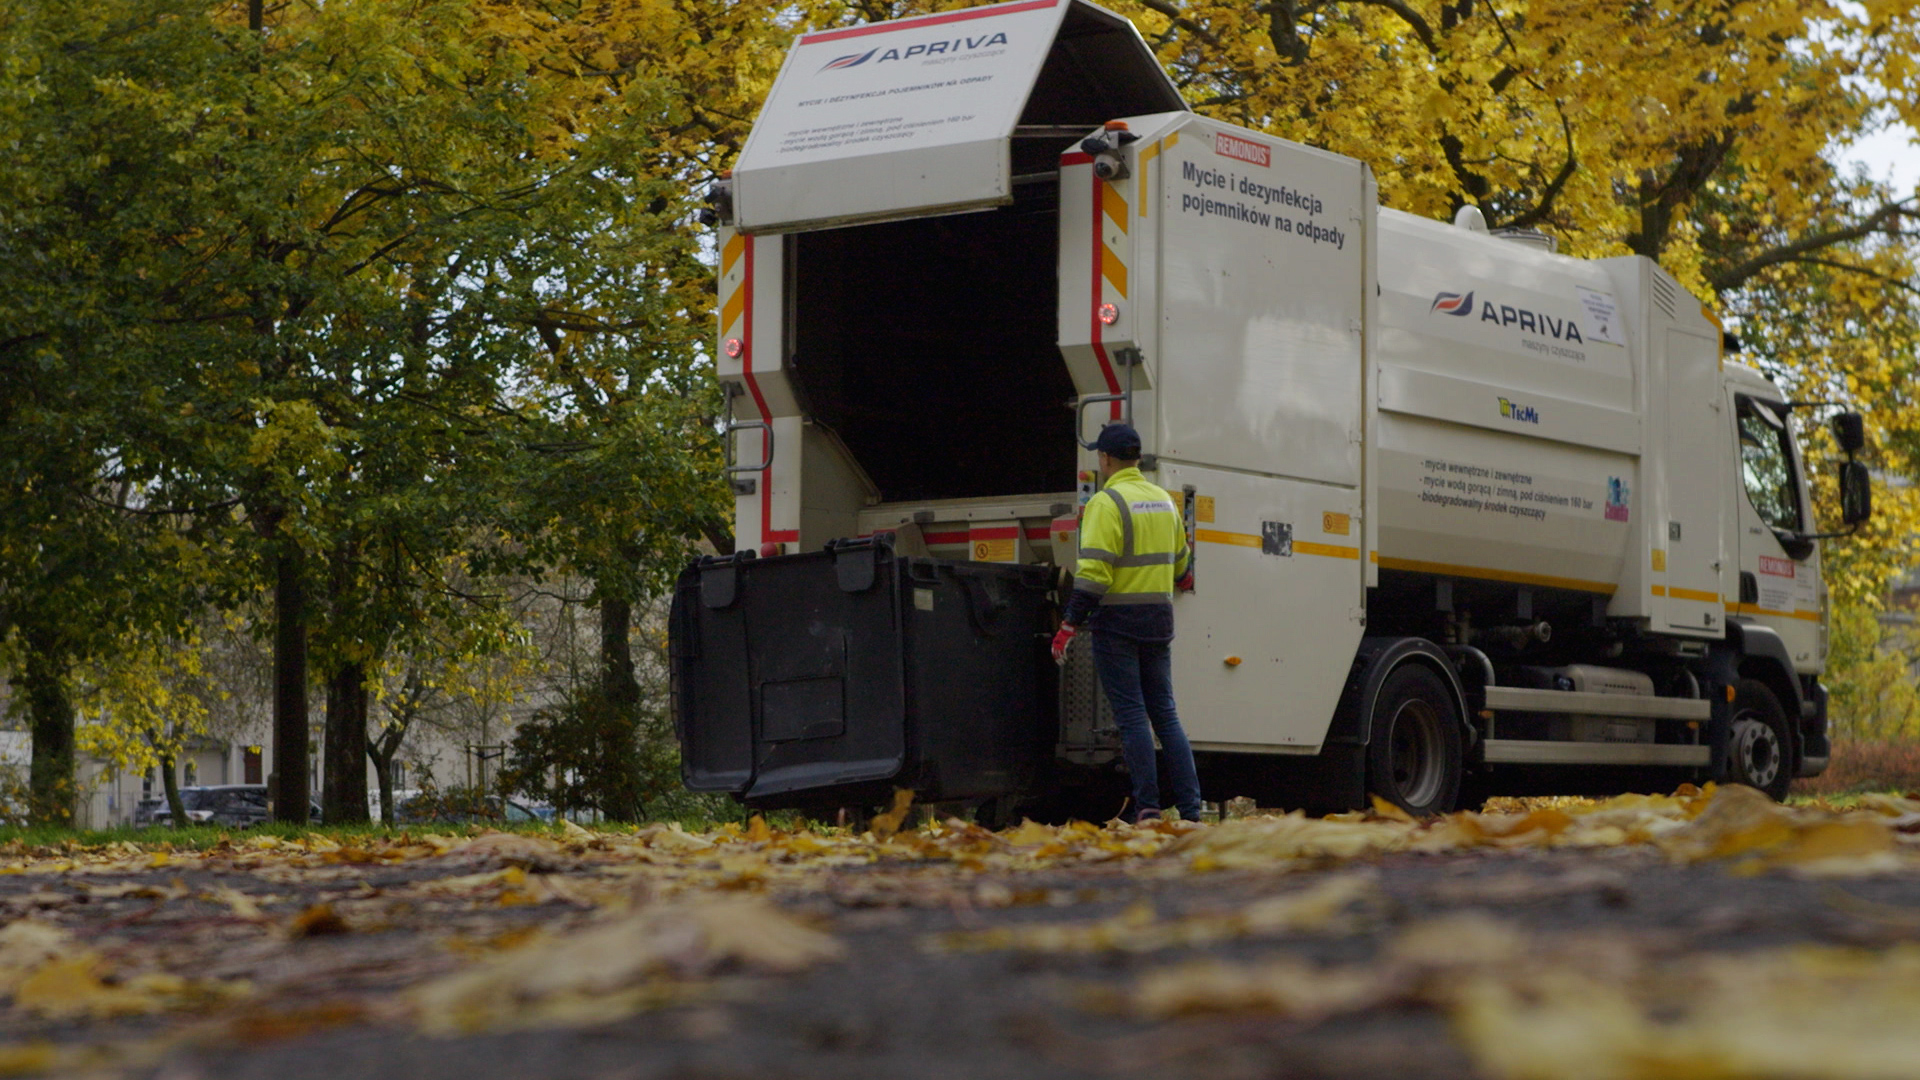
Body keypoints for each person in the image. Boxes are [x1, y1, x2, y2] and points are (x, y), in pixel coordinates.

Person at [1050, 423, 1203, 824]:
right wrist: (1179, 577)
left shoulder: (1106, 503)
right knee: (1166, 715)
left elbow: (1094, 575)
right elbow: (1184, 568)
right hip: (1158, 621)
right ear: (1137, 457)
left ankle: (1148, 808)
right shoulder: (1164, 502)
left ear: (1105, 459)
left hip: (1117, 624)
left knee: (1133, 716)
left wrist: (1068, 626)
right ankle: (1190, 810)